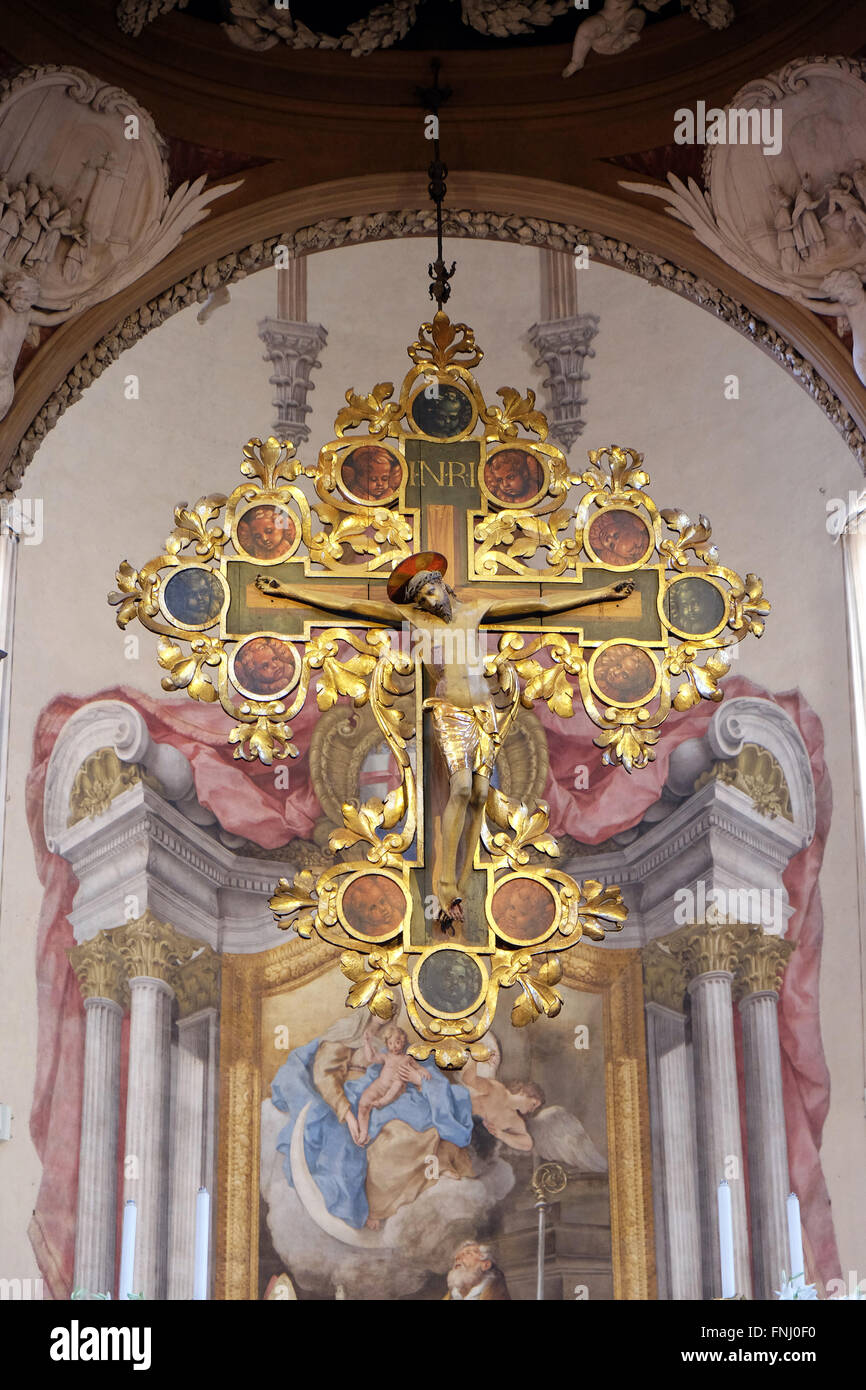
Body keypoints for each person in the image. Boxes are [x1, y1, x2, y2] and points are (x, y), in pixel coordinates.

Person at [255, 554, 633, 929]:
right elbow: (354, 605)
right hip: (450, 712)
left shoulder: (477, 611)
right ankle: (444, 882)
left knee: (481, 797)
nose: (429, 602)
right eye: (421, 599)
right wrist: (289, 591)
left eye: (431, 592)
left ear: (444, 586)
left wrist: (600, 594)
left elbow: (542, 604)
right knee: (462, 787)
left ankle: (462, 886)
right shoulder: (418, 620)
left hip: (485, 712)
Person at [348, 1026, 429, 1146]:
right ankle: (363, 1132)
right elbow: (371, 1057)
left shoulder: (407, 1058)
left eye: (397, 1042)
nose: (394, 1046)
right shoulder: (386, 1056)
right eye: (390, 1043)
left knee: (398, 1082)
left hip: (397, 1087)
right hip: (380, 1085)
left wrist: (423, 1072)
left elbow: (418, 1068)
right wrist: (367, 1042)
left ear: (403, 1042)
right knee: (363, 1102)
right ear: (387, 1044)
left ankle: (382, 1102)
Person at [444, 1240, 511, 1300]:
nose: (457, 1257)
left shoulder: (496, 1292)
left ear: (486, 1265)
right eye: (458, 1255)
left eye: (468, 1253)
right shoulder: (452, 1295)